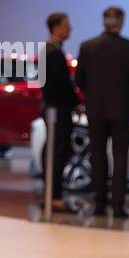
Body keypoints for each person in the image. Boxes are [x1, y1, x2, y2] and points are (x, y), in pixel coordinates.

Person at [74, 7, 129, 217]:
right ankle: (118, 205)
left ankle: (99, 203)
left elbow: (78, 79)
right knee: (120, 158)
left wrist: (91, 96)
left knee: (97, 157)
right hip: (122, 111)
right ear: (121, 23)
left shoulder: (87, 46)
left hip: (96, 110)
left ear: (103, 22)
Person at [40, 12, 77, 212]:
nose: (69, 28)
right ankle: (54, 196)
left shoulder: (49, 49)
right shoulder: (52, 51)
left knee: (54, 151)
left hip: (54, 108)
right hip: (58, 109)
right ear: (56, 27)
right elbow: (61, 86)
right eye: (66, 24)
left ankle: (52, 194)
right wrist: (76, 101)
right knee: (57, 152)